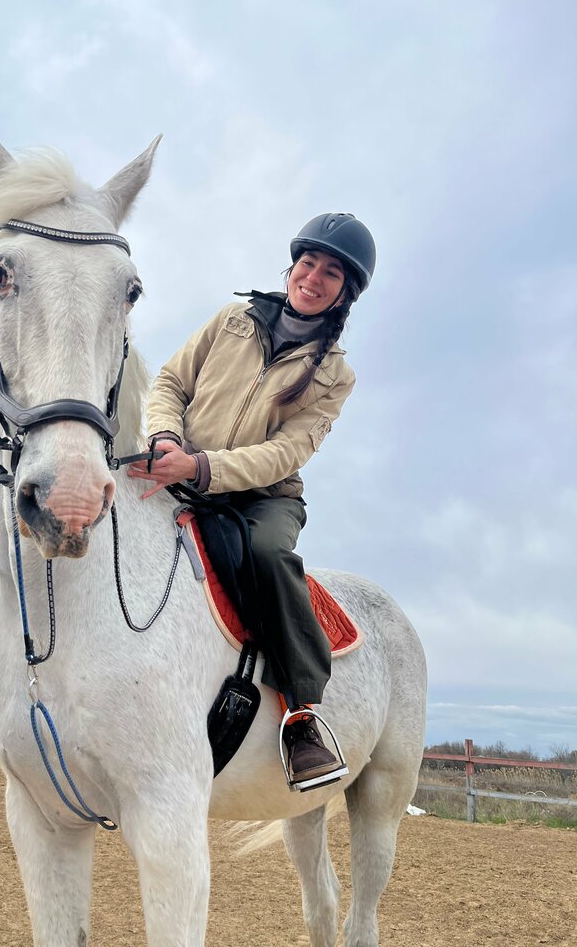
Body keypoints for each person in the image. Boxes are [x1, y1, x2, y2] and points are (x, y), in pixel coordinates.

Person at [128, 212, 375, 787]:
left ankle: (301, 713)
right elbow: (170, 383)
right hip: (178, 464)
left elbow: (286, 453)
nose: (313, 277)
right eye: (308, 263)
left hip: (263, 498)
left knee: (265, 554)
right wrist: (165, 437)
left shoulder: (335, 375)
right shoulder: (231, 320)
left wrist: (204, 467)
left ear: (345, 293)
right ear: (293, 265)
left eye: (331, 273)